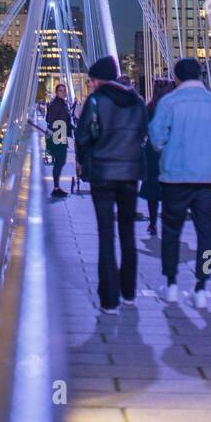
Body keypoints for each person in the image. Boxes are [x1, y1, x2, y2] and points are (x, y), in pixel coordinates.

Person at [148, 57, 211, 308]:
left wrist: (169, 150)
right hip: (209, 178)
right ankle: (202, 287)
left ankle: (172, 284)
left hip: (175, 176)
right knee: (206, 234)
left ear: (176, 78)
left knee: (171, 232)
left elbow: (156, 137)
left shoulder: (169, 102)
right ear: (201, 75)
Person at [75, 54, 148, 315]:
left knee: (106, 235)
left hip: (103, 174)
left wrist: (84, 162)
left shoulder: (95, 101)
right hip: (130, 175)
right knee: (128, 233)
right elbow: (142, 133)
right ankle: (129, 292)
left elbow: (82, 136)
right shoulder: (137, 101)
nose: (91, 85)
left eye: (91, 80)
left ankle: (109, 300)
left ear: (98, 80)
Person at [140, 77, 174, 235]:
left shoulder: (149, 108)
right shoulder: (174, 108)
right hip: (170, 152)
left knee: (153, 188)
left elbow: (143, 130)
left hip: (152, 152)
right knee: (170, 189)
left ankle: (152, 223)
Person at [45, 81, 74, 198]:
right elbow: (53, 120)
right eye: (60, 91)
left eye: (64, 90)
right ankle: (56, 188)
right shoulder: (56, 104)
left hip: (60, 134)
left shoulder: (62, 103)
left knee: (60, 162)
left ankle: (57, 187)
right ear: (56, 92)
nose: (63, 92)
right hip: (58, 135)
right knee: (59, 162)